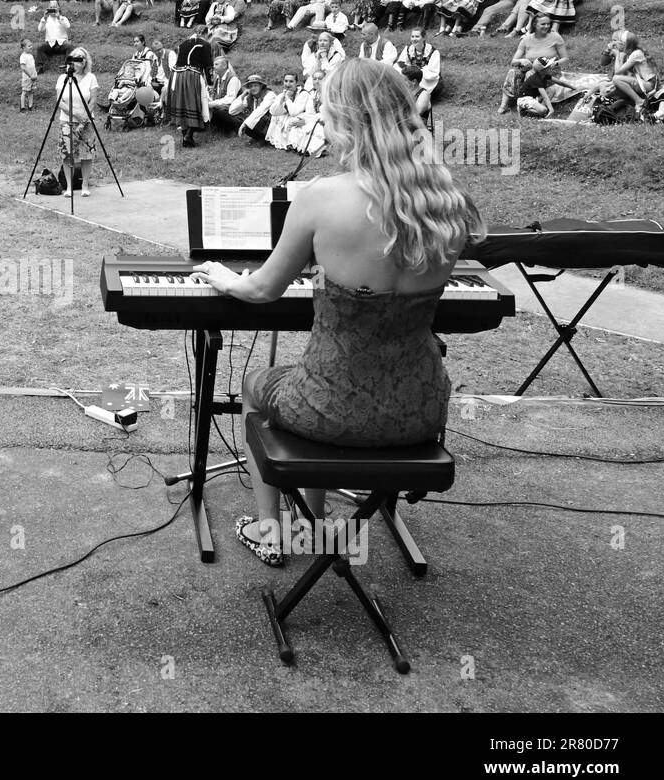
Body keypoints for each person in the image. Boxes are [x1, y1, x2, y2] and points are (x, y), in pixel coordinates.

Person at [194, 58, 484, 565]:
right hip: (418, 411)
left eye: (327, 113)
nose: (322, 124)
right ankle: (318, 520)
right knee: (338, 379)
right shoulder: (446, 201)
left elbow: (262, 290)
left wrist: (223, 276)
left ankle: (270, 530)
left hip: (326, 409)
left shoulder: (324, 198)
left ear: (348, 120)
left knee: (257, 386)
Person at [498, 13, 568, 114]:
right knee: (512, 72)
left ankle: (532, 104)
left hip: (548, 70)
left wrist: (555, 63)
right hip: (530, 69)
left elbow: (565, 59)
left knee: (531, 74)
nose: (547, 26)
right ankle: (504, 105)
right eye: (543, 24)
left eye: (548, 24)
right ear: (534, 24)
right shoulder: (526, 40)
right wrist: (521, 61)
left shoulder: (555, 37)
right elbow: (513, 61)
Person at [54, 48, 99, 194]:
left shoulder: (91, 77)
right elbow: (59, 101)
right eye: (76, 57)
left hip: (86, 121)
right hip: (67, 120)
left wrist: (84, 117)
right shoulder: (63, 78)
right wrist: (76, 114)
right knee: (68, 155)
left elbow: (93, 100)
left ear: (86, 60)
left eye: (82, 57)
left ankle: (85, 186)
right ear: (70, 60)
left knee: (87, 154)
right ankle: (69, 187)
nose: (79, 60)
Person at [167, 26, 214, 147]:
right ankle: (188, 135)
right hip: (191, 75)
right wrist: (210, 83)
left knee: (182, 104)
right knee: (196, 103)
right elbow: (208, 67)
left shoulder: (183, 43)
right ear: (205, 33)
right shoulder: (205, 44)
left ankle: (186, 136)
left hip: (177, 76)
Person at [395, 28, 441, 120]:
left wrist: (418, 71)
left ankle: (421, 98)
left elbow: (433, 72)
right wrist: (408, 69)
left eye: (417, 36)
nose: (414, 39)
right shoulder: (408, 49)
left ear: (424, 38)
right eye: (412, 36)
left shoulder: (433, 52)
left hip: (427, 79)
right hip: (413, 76)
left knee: (419, 81)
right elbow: (400, 63)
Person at [284, 68, 328, 155]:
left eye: (320, 79)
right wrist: (303, 119)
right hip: (313, 119)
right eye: (314, 79)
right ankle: (296, 146)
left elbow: (326, 114)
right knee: (296, 123)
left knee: (311, 128)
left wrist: (307, 121)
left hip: (326, 122)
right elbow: (309, 111)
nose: (317, 81)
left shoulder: (329, 95)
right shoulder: (312, 94)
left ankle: (314, 149)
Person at [208, 55, 244, 132]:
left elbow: (230, 99)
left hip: (236, 113)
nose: (213, 67)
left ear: (224, 66)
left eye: (216, 64)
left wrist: (211, 104)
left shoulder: (233, 79)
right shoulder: (218, 78)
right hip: (225, 109)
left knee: (219, 110)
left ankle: (236, 127)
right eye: (214, 64)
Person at [35, 1, 71, 72]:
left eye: (54, 7)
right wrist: (44, 19)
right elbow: (40, 29)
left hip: (61, 44)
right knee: (40, 48)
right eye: (51, 7)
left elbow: (68, 26)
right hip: (50, 44)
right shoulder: (46, 19)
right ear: (48, 9)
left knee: (70, 47)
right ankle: (40, 67)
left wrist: (59, 17)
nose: (52, 9)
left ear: (58, 8)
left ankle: (68, 66)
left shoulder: (63, 18)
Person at [19, 39, 38, 111]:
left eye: (31, 45)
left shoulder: (30, 55)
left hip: (33, 76)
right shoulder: (23, 56)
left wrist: (35, 74)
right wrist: (30, 75)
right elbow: (23, 68)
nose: (31, 47)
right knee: (24, 91)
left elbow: (32, 66)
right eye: (29, 46)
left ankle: (30, 106)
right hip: (27, 77)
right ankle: (22, 107)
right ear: (23, 48)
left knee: (31, 91)